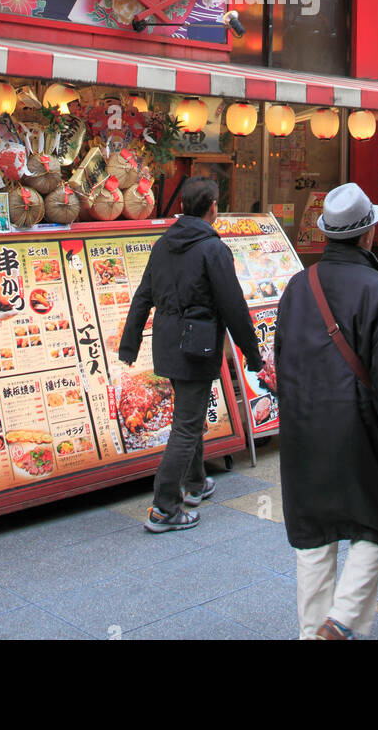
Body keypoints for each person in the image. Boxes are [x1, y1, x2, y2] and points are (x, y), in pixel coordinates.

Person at [275, 183, 378, 641]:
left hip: (304, 428)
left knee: (312, 534)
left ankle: (313, 632)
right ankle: (342, 620)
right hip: (360, 428)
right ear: (368, 234)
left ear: (326, 233)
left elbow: (281, 359)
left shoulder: (296, 287)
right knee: (376, 521)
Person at [118, 176, 264, 532]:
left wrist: (129, 345)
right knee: (186, 426)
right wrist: (254, 355)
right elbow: (234, 307)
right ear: (212, 208)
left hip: (167, 344)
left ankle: (195, 484)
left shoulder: (163, 243)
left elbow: (143, 296)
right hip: (196, 348)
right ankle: (164, 508)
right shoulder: (214, 249)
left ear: (183, 206)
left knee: (190, 414)